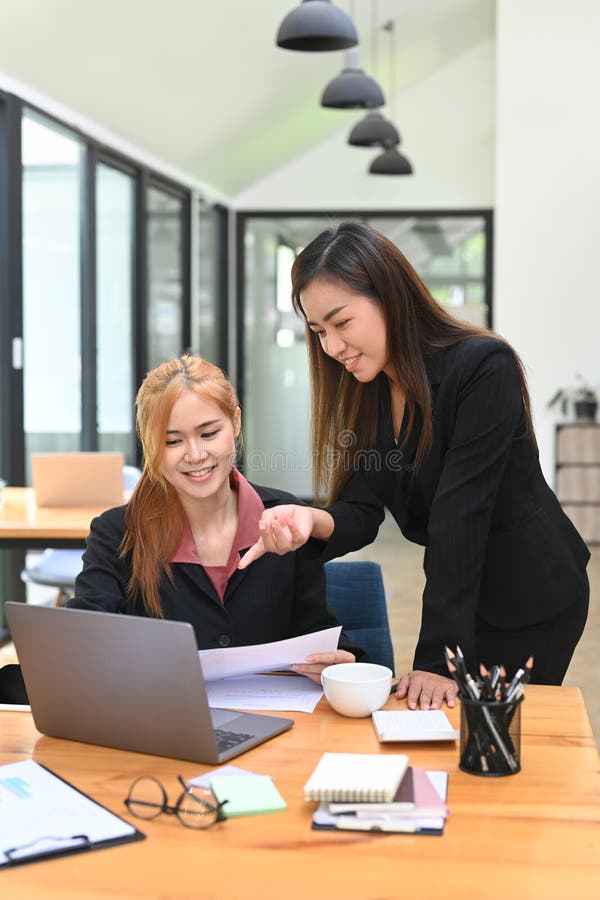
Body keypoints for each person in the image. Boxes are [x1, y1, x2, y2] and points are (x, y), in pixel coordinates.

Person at [240, 221, 590, 709]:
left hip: (528, 592)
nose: (331, 347)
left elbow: (460, 515)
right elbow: (360, 507)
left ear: (390, 297)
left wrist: (436, 660)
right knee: (453, 731)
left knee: (495, 741)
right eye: (319, 331)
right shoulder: (369, 391)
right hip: (462, 591)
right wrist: (310, 519)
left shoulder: (483, 367)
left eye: (341, 323)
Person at [69, 354, 361, 683]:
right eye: (172, 441)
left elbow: (313, 631)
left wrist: (337, 664)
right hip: (160, 727)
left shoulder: (285, 518)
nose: (195, 455)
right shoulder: (116, 532)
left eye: (208, 434)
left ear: (235, 423)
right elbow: (84, 639)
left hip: (277, 724)